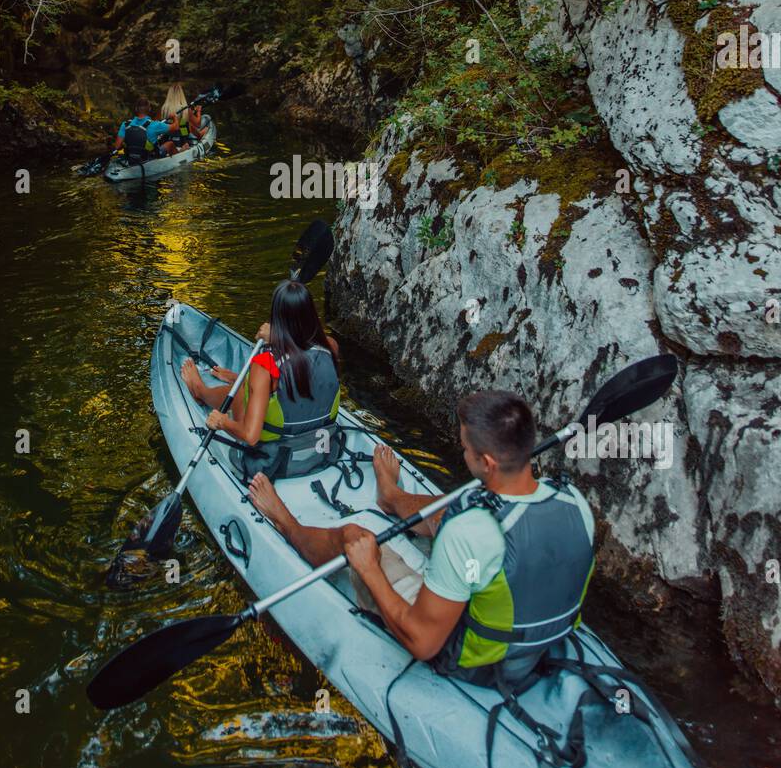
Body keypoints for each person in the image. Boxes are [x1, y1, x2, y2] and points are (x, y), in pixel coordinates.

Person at [248, 389, 595, 687]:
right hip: (536, 641)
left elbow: (423, 642)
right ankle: (392, 496)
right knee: (451, 507)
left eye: (465, 449)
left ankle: (286, 523)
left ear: (486, 462)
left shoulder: (468, 533)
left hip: (474, 660)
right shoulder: (572, 500)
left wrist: (369, 567)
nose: (463, 454)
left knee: (354, 535)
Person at [181, 279, 341, 479]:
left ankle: (200, 391)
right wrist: (278, 337)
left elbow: (250, 436)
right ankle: (237, 378)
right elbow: (302, 360)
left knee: (242, 391)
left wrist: (222, 422)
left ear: (276, 317)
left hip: (275, 459)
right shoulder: (330, 347)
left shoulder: (264, 364)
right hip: (321, 452)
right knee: (256, 383)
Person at [114, 99, 166, 163]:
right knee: (170, 144)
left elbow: (117, 146)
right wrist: (174, 117)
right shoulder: (155, 124)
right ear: (149, 109)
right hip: (148, 160)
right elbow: (175, 127)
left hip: (131, 159)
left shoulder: (125, 124)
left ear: (136, 109)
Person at [158, 83, 203, 156]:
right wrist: (198, 111)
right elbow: (198, 124)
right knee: (188, 124)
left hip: (167, 142)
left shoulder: (164, 109)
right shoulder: (185, 110)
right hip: (182, 144)